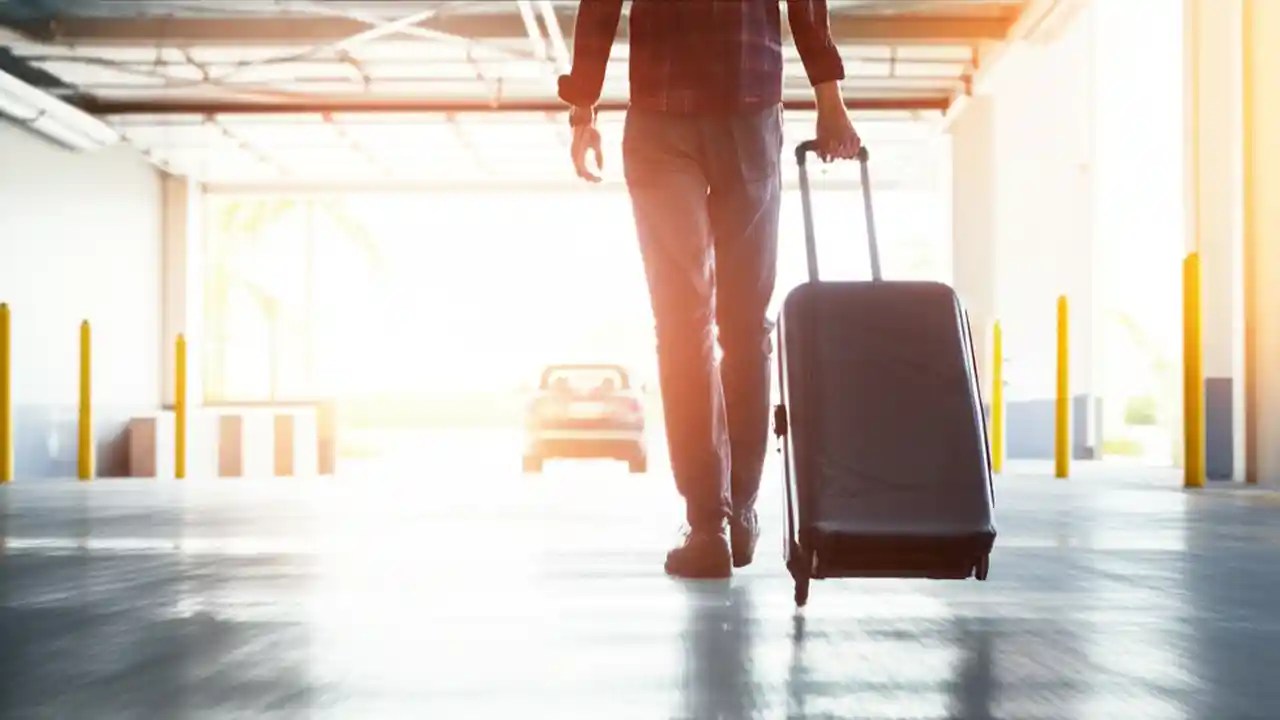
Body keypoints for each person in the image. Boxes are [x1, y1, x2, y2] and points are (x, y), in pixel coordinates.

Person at [558, 0, 861, 579]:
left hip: (720, 114)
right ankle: (716, 517)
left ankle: (722, 518)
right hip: (680, 118)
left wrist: (831, 101)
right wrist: (583, 109)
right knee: (705, 324)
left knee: (721, 324)